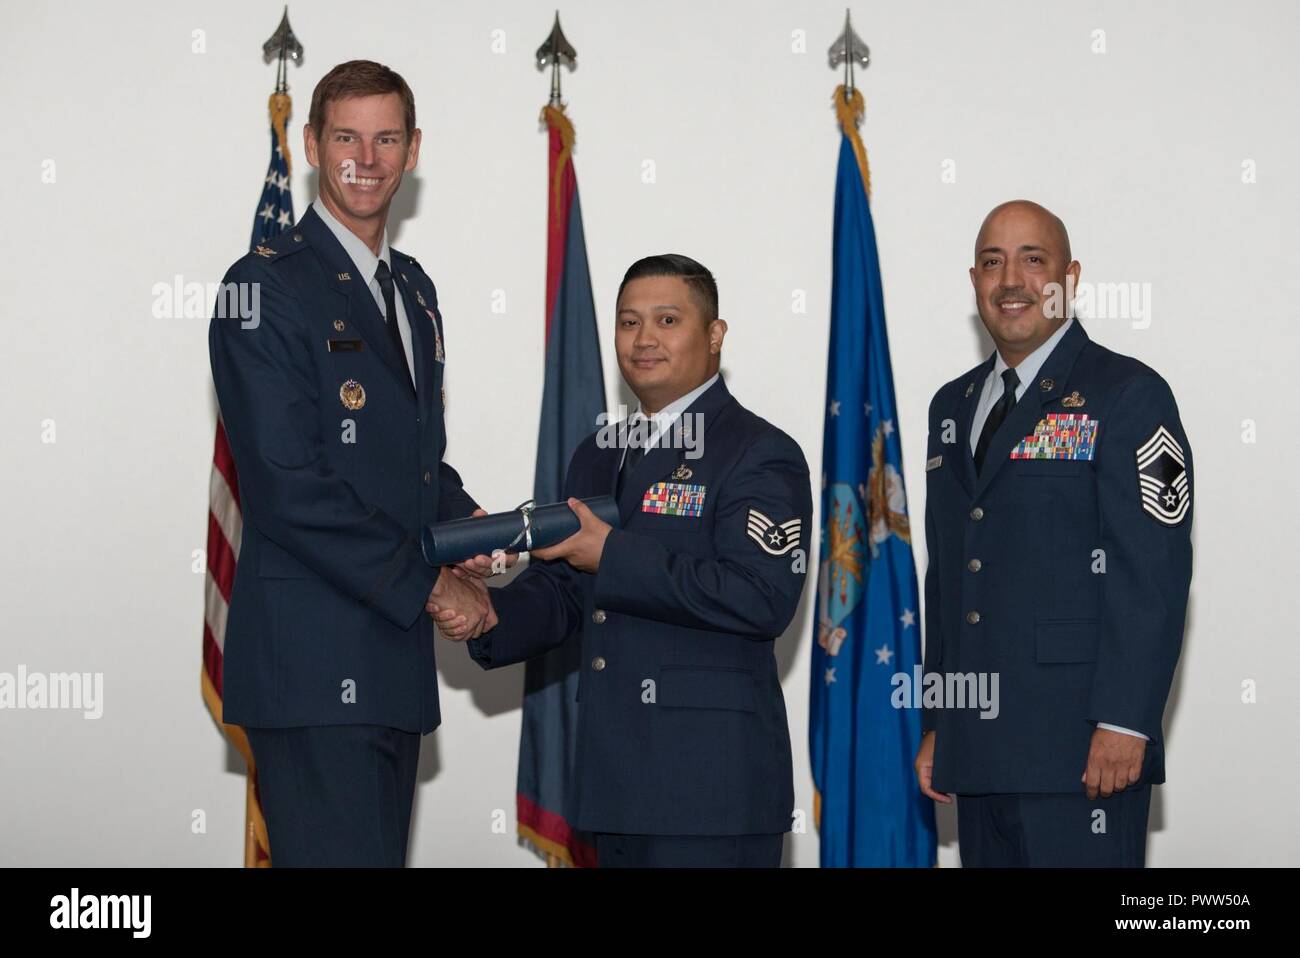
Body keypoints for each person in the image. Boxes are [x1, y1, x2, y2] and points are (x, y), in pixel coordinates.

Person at [208, 59, 501, 866]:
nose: (365, 159)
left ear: (413, 151)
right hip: (313, 667)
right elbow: (286, 487)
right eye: (346, 137)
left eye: (386, 139)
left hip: (391, 667)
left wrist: (468, 526)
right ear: (311, 144)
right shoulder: (261, 288)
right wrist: (430, 582)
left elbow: (411, 461)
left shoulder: (413, 289)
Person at [434, 255, 812, 867]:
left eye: (667, 320)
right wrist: (488, 615)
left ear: (715, 335)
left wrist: (612, 553)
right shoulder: (597, 453)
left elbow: (760, 596)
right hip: (615, 786)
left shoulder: (760, 451)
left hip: (712, 792)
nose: (644, 340)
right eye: (628, 322)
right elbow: (565, 591)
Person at [913, 200, 1193, 867]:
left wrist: (1126, 721)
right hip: (978, 755)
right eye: (992, 262)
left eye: (1032, 259)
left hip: (1082, 752)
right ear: (974, 280)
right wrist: (938, 724)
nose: (1011, 279)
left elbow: (1152, 571)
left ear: (1070, 277)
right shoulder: (951, 405)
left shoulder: (1126, 393)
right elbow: (948, 579)